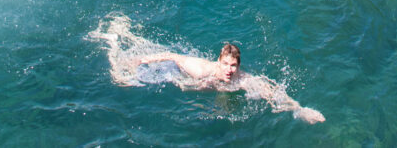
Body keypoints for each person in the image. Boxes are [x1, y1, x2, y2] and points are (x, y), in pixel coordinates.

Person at [135, 42, 326, 124]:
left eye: (233, 66)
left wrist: (299, 109)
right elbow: (172, 56)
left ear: (239, 66)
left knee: (225, 105)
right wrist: (142, 60)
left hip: (217, 93)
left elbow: (274, 93)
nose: (229, 70)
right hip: (175, 74)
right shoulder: (201, 69)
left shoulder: (243, 80)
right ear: (219, 61)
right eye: (225, 64)